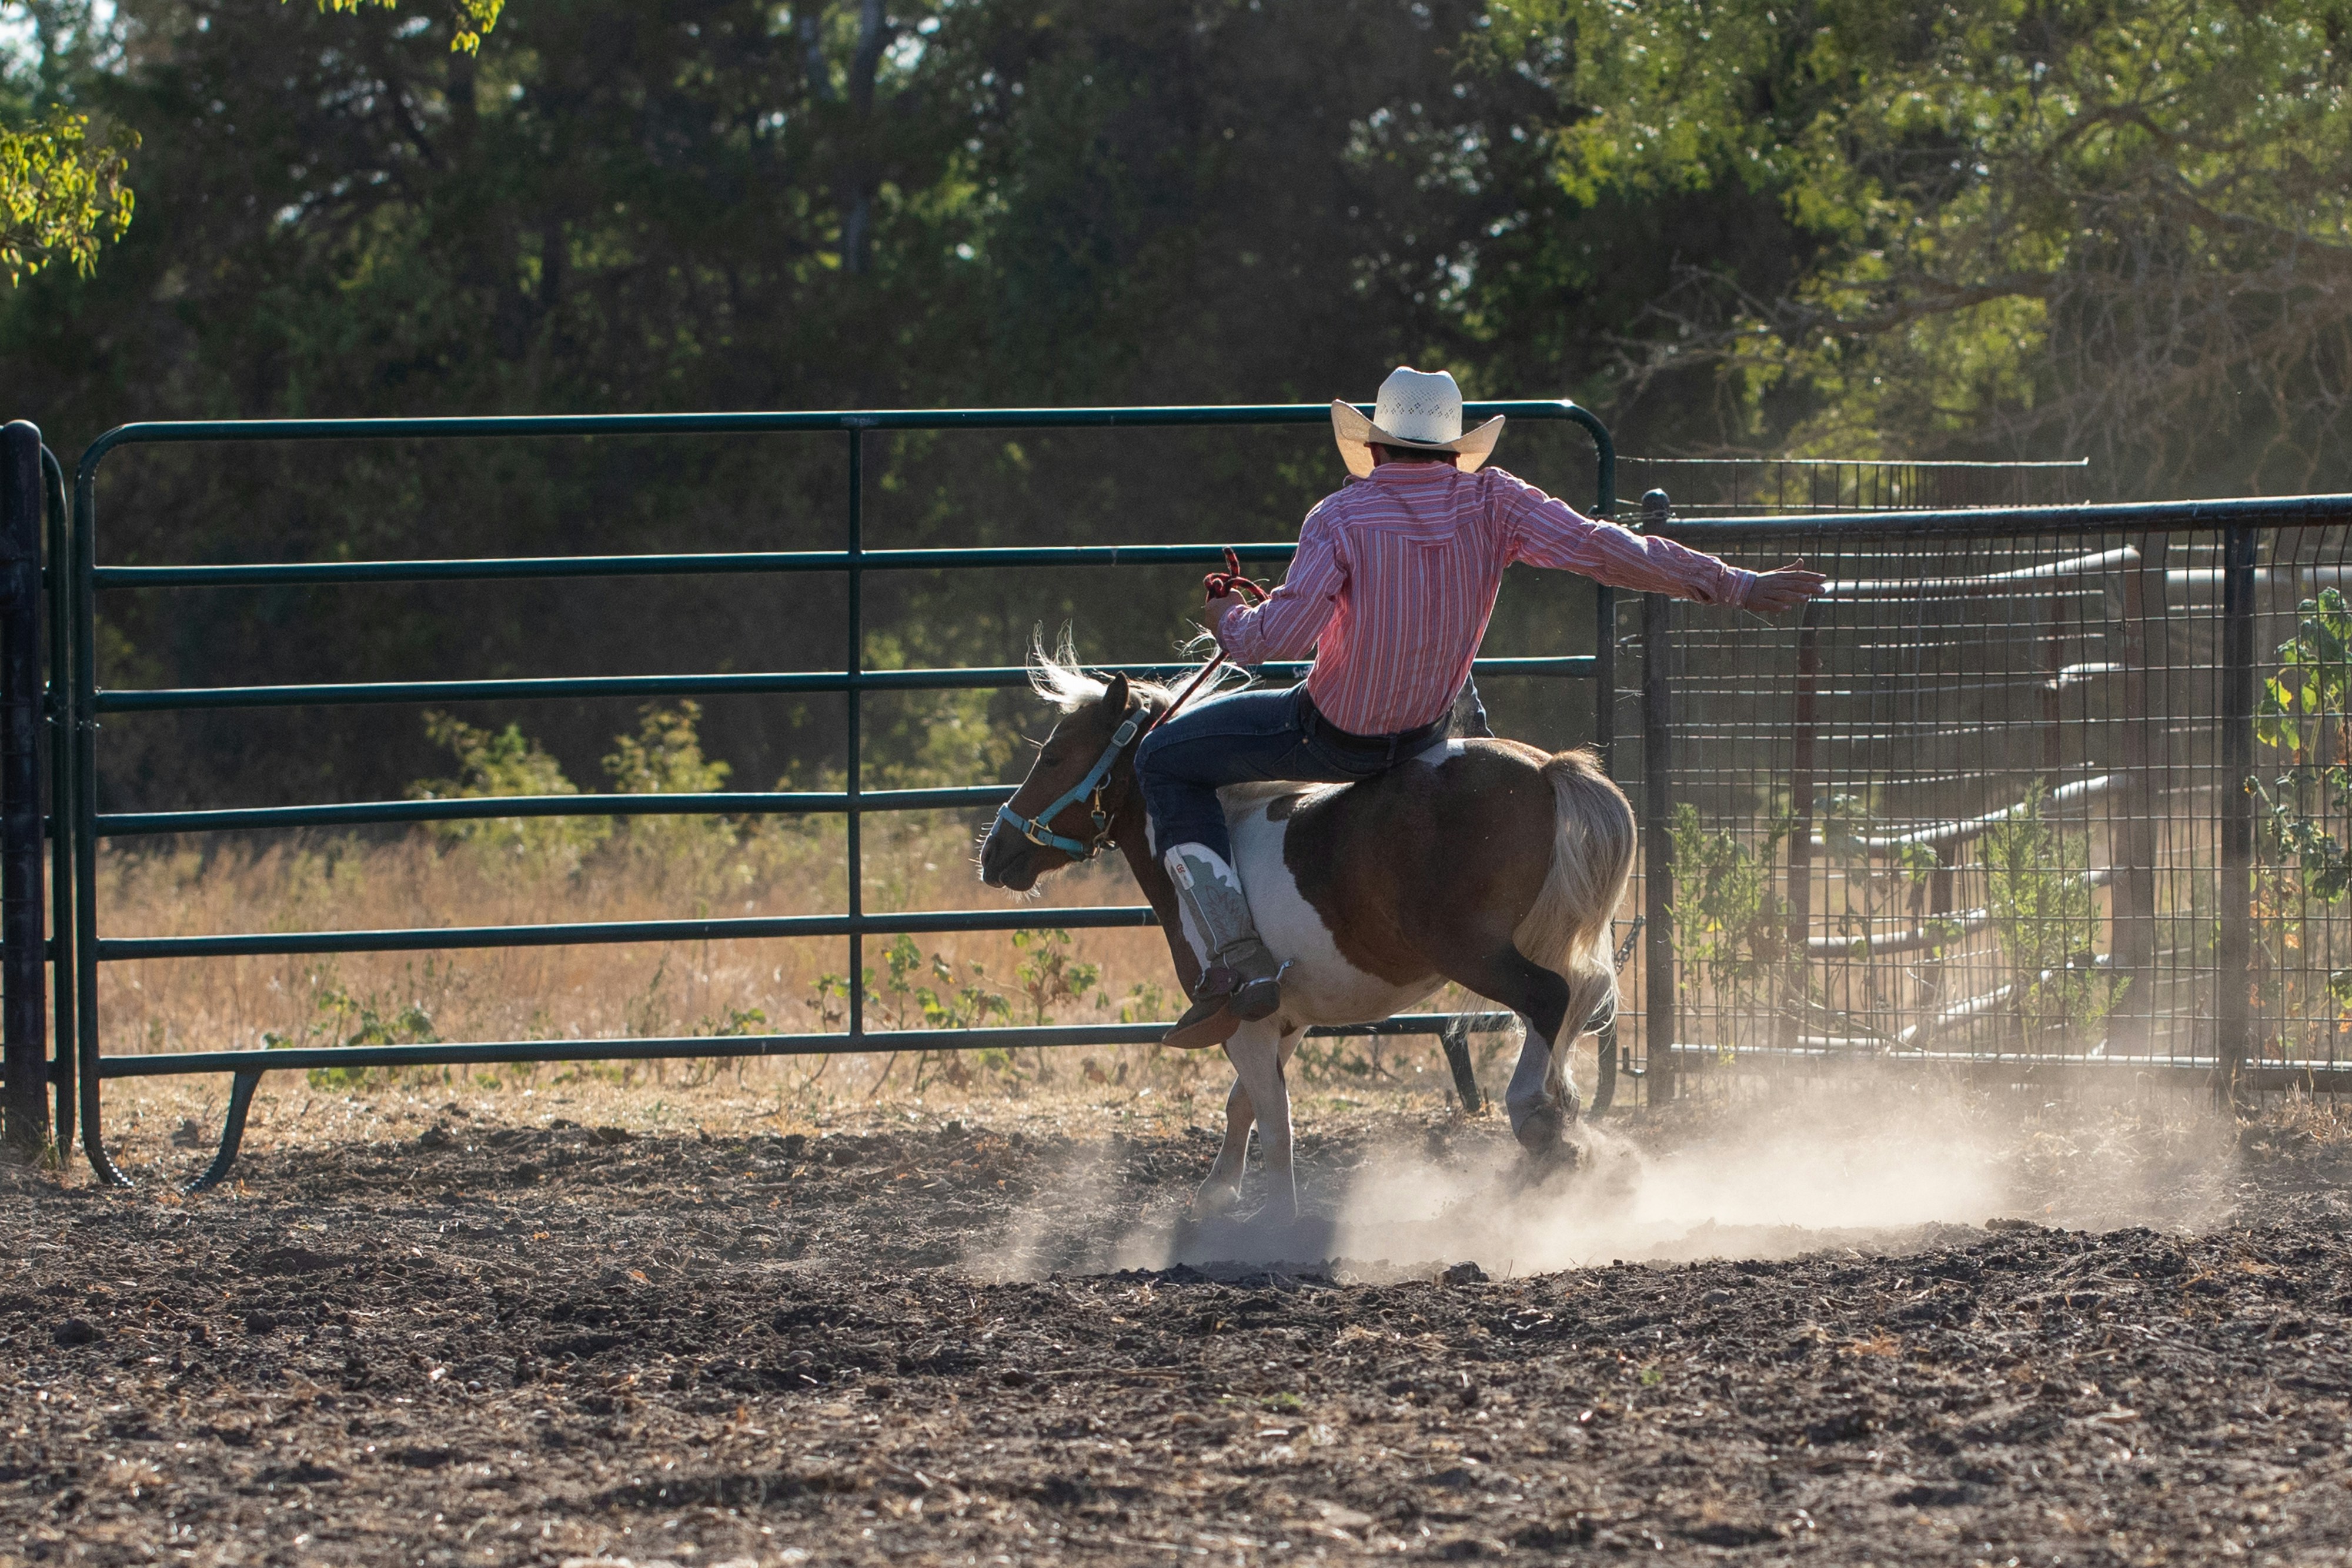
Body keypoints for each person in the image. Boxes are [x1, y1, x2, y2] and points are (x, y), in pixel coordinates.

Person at [1136, 366, 1827, 1049]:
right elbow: (1604, 548)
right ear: (1455, 449)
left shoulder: (1340, 517)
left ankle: (1234, 953)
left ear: (1372, 447)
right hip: (1425, 730)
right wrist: (1734, 584)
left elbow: (1277, 641)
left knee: (1162, 757)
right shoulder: (1496, 501)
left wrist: (1228, 619)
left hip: (1332, 737)